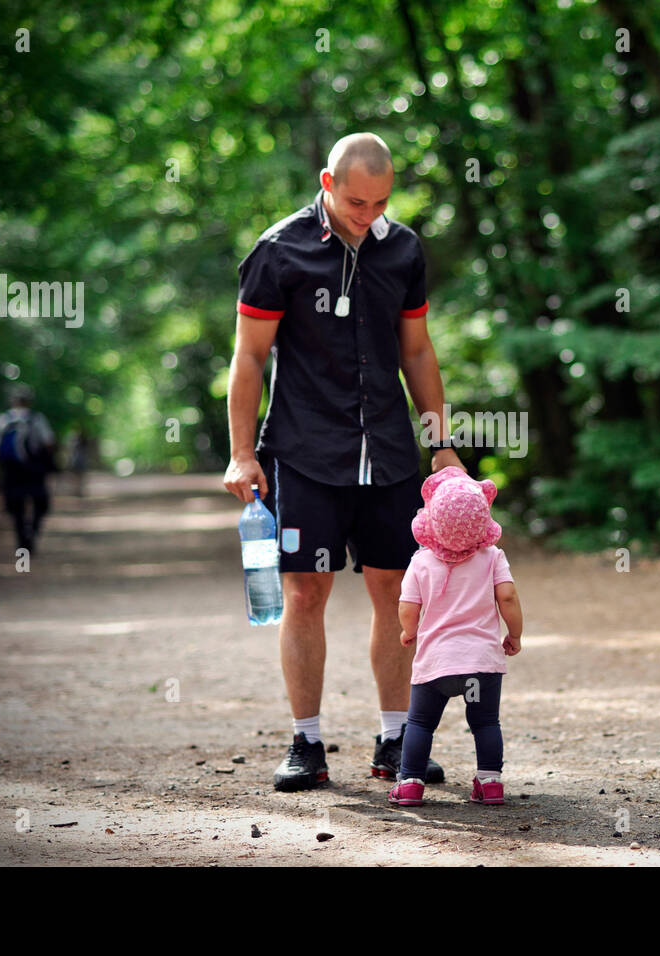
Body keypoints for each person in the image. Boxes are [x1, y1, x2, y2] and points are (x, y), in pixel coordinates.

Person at [223, 132, 467, 792]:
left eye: (381, 201)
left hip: (388, 451)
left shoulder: (404, 249)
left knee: (397, 591)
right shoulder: (279, 251)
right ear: (327, 185)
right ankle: (306, 744)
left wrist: (439, 441)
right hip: (304, 451)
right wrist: (243, 454)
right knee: (306, 592)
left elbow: (416, 351)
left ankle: (395, 741)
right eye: (357, 201)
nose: (369, 215)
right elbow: (248, 358)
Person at [390, 467, 523, 807]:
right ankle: (490, 782)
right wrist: (514, 634)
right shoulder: (492, 557)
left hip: (436, 664)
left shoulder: (420, 562)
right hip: (481, 665)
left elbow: (408, 605)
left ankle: (410, 784)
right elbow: (507, 596)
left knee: (420, 723)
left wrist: (409, 630)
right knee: (485, 723)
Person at [0, 384, 56, 554]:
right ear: (29, 401)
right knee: (40, 504)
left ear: (12, 400)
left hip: (11, 469)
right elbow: (48, 443)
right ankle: (31, 532)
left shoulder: (2, 419)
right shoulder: (37, 418)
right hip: (34, 468)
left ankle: (22, 540)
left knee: (16, 506)